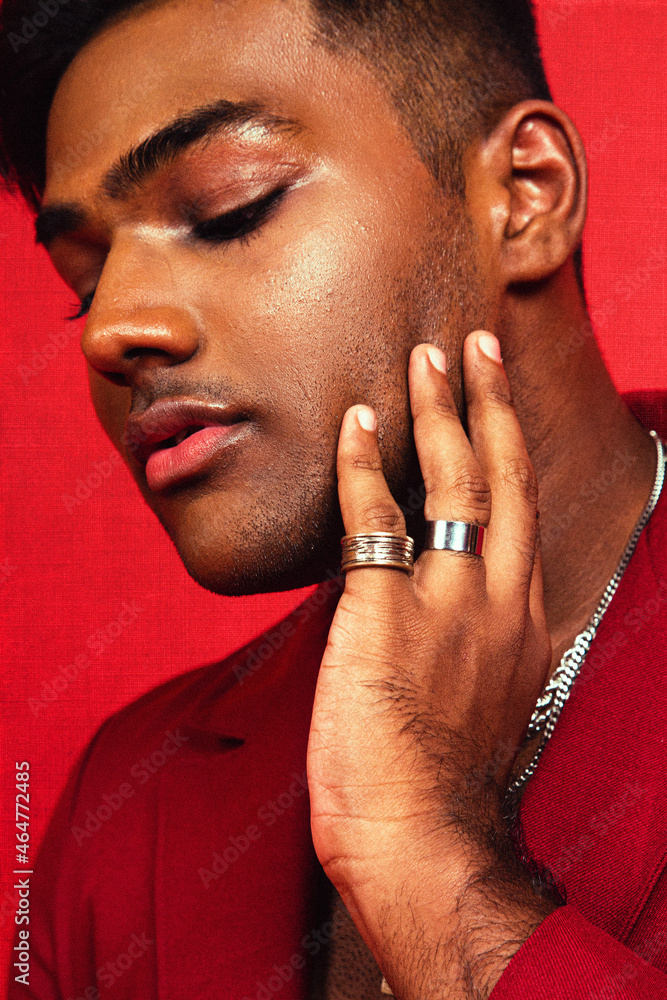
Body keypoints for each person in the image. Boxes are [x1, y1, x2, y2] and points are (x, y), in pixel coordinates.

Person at [2, 0, 667, 997]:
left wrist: (440, 881)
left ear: (525, 195)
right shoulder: (126, 807)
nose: (112, 331)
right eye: (85, 280)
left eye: (229, 207)